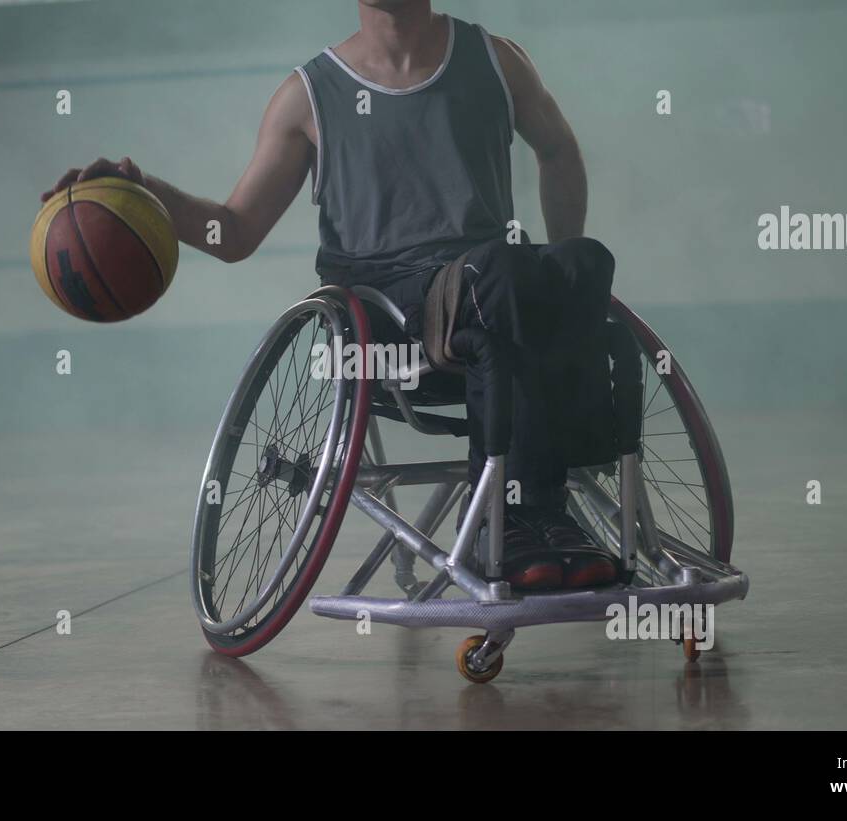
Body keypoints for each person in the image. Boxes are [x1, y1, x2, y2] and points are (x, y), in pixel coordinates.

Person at [42, 0, 618, 590]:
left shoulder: (496, 61)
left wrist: (554, 281)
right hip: (388, 317)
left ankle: (550, 509)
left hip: (497, 293)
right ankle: (512, 521)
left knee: (583, 262)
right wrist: (146, 193)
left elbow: (559, 150)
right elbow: (234, 232)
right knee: (500, 271)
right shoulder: (309, 95)